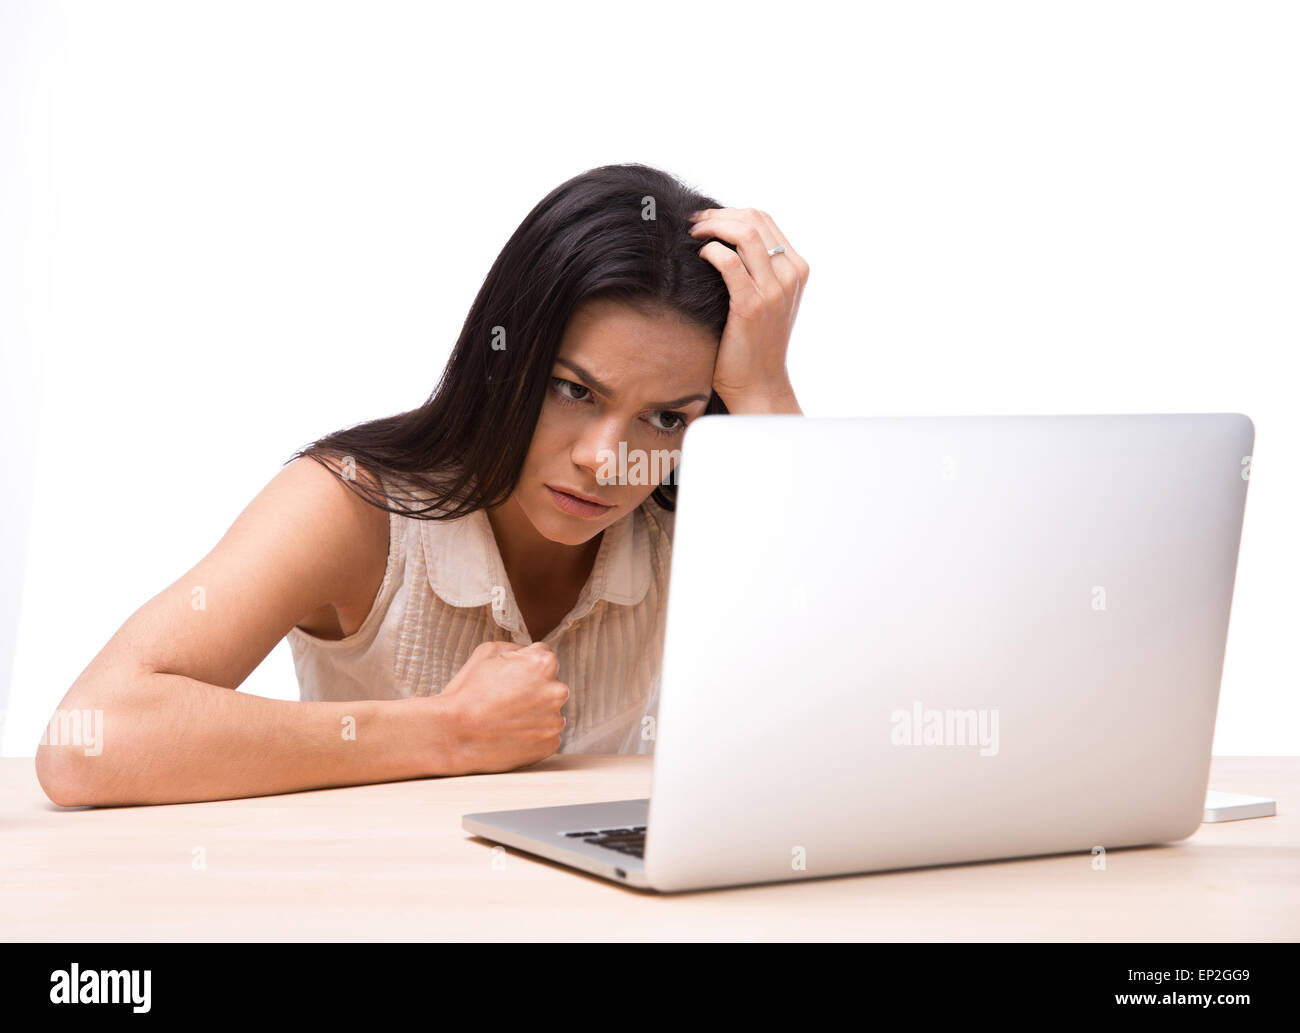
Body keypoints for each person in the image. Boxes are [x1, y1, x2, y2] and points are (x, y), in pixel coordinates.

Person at [35, 162, 809, 806]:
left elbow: (857, 696)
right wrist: (444, 730)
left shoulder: (701, 517)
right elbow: (91, 738)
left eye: (667, 419)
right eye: (575, 391)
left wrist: (766, 389)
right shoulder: (349, 507)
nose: (609, 461)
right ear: (502, 357)